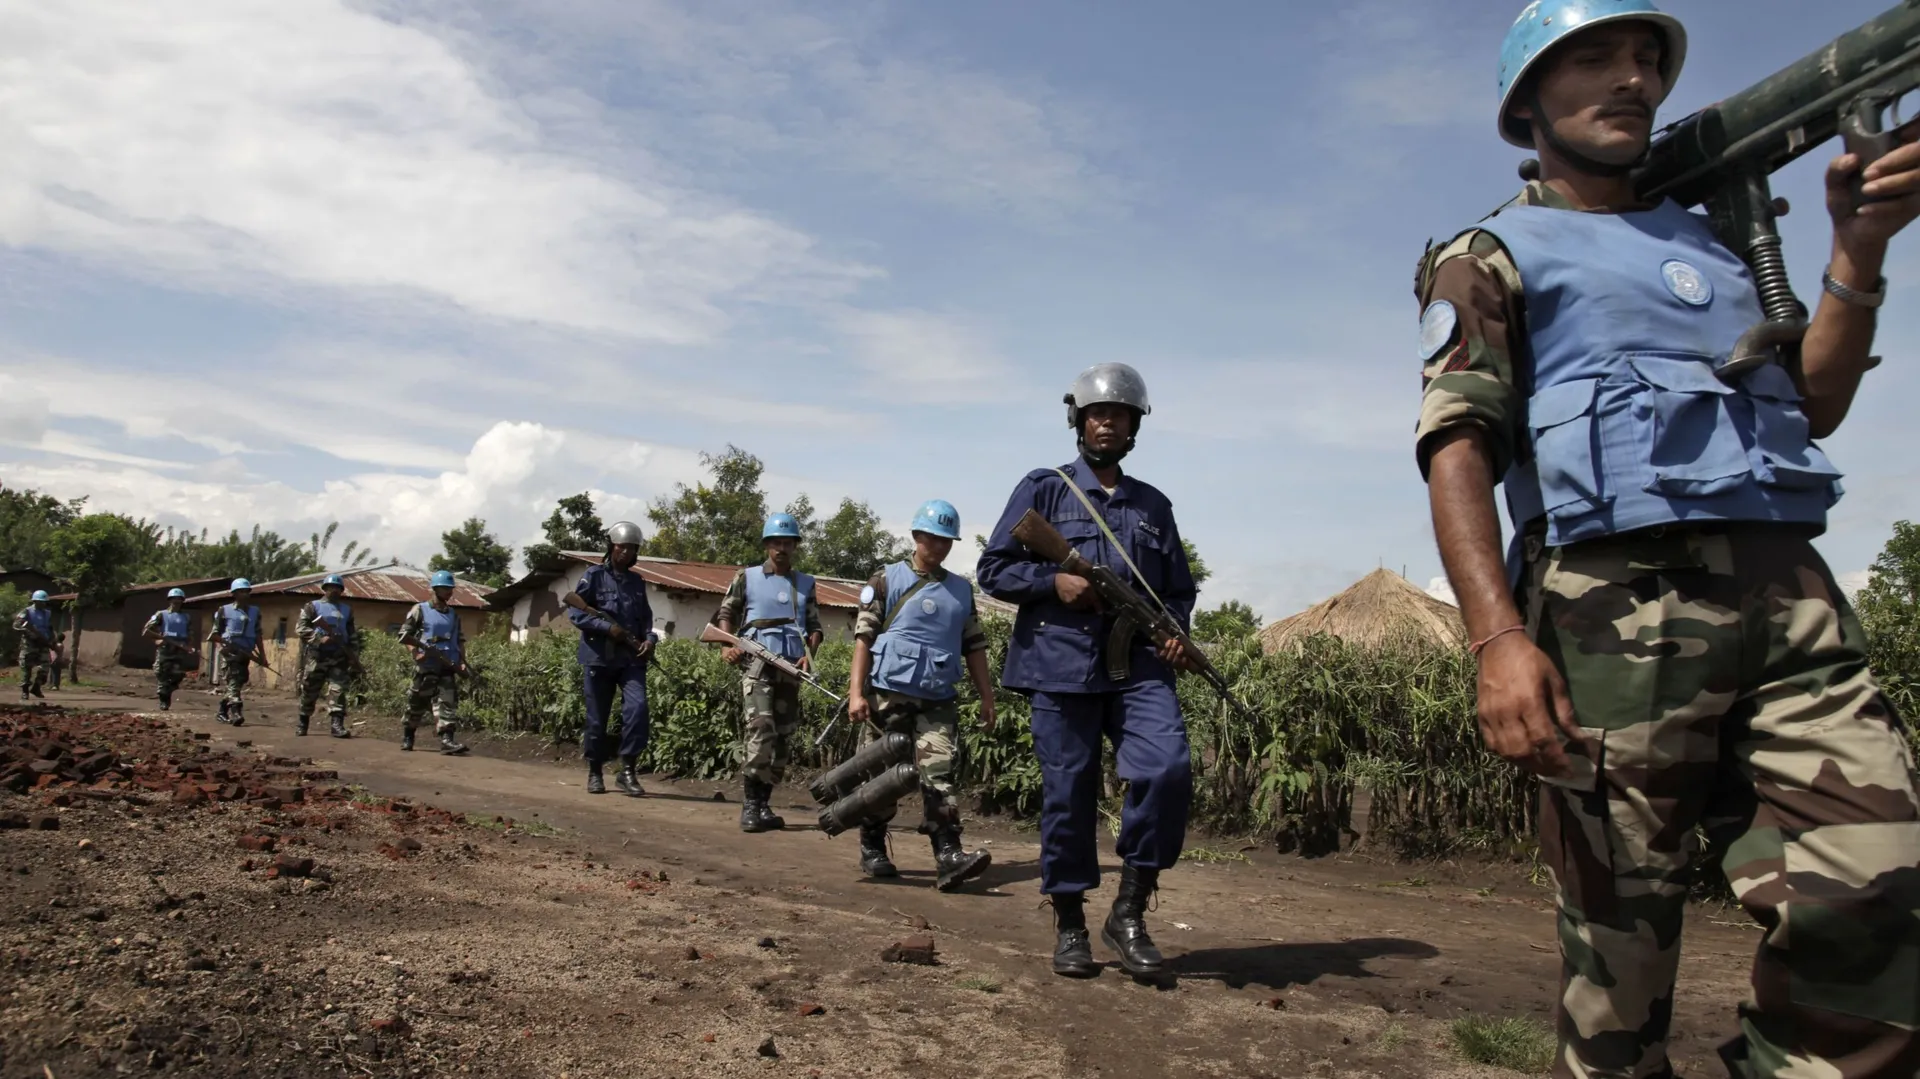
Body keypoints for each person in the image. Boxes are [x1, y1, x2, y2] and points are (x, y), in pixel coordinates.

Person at [1415, 3, 1920, 1073]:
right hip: (1614, 613)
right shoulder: (1493, 251)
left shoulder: (1719, 239)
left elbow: (1811, 403)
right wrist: (1497, 639)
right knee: (1622, 953)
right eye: (1592, 59)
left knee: (1882, 885)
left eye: (1645, 59)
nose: (1630, 78)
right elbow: (1456, 444)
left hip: (1792, 596)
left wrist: (1858, 251)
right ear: (1527, 103)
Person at [977, 363, 1199, 980]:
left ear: (1134, 427)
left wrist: (1176, 633)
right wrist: (1054, 582)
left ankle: (1127, 911)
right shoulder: (1044, 488)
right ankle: (1071, 922)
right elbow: (992, 570)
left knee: (1168, 768)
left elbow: (1178, 591)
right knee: (1069, 796)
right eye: (1098, 413)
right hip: (1061, 666)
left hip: (1141, 669)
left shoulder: (1154, 505)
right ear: (1079, 420)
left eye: (1120, 414)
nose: (1108, 422)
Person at [846, 499, 997, 891]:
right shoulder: (885, 579)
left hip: (937, 698)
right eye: (933, 538)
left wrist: (987, 697)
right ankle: (873, 846)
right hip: (886, 697)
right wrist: (855, 694)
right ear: (916, 536)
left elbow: (975, 646)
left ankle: (948, 855)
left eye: (947, 540)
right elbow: (864, 639)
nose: (941, 546)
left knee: (938, 773)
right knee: (883, 779)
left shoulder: (962, 591)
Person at [713, 513, 823, 832]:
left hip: (790, 668)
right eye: (776, 542)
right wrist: (726, 645)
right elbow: (726, 612)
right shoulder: (746, 577)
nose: (781, 548)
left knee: (784, 738)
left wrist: (808, 653)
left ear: (795, 546)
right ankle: (750, 805)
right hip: (756, 664)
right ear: (767, 545)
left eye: (787, 543)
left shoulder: (806, 584)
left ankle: (763, 804)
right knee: (761, 728)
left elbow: (815, 627)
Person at [567, 521, 658, 795]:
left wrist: (650, 641)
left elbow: (646, 618)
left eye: (632, 548)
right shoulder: (593, 576)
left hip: (631, 659)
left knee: (638, 709)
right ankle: (595, 771)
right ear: (611, 546)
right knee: (597, 719)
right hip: (599, 658)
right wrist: (609, 628)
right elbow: (576, 612)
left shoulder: (637, 582)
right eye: (622, 547)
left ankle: (627, 770)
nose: (626, 552)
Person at [397, 570, 472, 755]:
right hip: (426, 665)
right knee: (417, 702)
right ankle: (408, 735)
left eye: (450, 589)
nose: (449, 592)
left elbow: (459, 640)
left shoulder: (453, 614)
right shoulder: (420, 609)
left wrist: (462, 662)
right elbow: (404, 635)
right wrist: (415, 653)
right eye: (445, 588)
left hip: (448, 665)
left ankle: (447, 740)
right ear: (435, 589)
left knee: (448, 702)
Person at [294, 574, 358, 738]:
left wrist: (353, 656)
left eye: (338, 588)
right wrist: (320, 638)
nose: (334, 591)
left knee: (338, 690)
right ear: (325, 589)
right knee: (310, 690)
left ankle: (337, 725)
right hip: (318, 655)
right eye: (331, 588)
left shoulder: (346, 610)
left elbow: (352, 635)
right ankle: (303, 723)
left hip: (339, 656)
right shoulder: (312, 606)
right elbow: (301, 628)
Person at [207, 579, 264, 726]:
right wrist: (222, 646)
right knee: (234, 680)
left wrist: (262, 656)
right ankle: (236, 712)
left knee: (238, 682)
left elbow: (258, 634)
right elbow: (215, 633)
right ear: (234, 594)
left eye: (247, 591)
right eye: (241, 591)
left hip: (246, 652)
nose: (245, 594)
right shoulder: (224, 610)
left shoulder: (255, 612)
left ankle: (221, 710)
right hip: (230, 652)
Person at [141, 588, 196, 711]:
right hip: (166, 647)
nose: (177, 601)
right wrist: (157, 640)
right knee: (161, 672)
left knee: (178, 674)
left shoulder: (186, 617)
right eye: (174, 599)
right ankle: (163, 699)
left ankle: (168, 690)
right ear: (169, 600)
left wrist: (190, 646)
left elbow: (190, 633)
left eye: (179, 599)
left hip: (180, 647)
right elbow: (147, 630)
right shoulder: (161, 614)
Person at [13, 590, 56, 702]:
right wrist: (28, 632)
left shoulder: (47, 613)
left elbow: (50, 627)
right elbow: (16, 624)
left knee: (45, 665)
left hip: (43, 643)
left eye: (44, 602)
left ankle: (36, 687)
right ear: (34, 601)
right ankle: (25, 692)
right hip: (29, 644)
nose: (42, 604)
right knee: (26, 668)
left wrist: (52, 640)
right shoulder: (26, 611)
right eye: (40, 602)